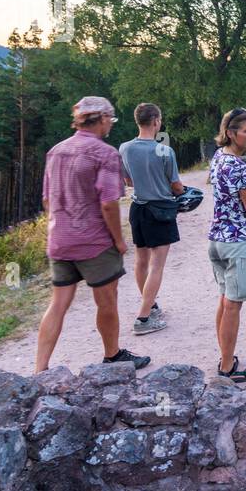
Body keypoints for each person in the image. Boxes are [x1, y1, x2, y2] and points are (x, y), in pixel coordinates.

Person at [35, 96, 151, 373]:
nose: (110, 124)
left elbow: (47, 200)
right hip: (94, 241)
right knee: (106, 299)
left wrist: (59, 225)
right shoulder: (105, 153)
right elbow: (108, 203)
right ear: (101, 119)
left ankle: (40, 369)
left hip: (59, 239)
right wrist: (119, 241)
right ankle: (112, 355)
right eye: (110, 119)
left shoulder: (56, 152)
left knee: (58, 303)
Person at [118, 102, 185, 335]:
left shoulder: (124, 148)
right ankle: (144, 318)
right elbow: (177, 186)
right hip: (160, 210)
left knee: (141, 262)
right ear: (156, 120)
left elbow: (128, 182)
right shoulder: (164, 150)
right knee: (157, 265)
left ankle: (151, 305)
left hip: (138, 209)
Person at [207, 107, 246, 382]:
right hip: (238, 240)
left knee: (225, 299)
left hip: (217, 239)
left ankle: (225, 357)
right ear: (230, 133)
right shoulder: (239, 167)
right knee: (233, 305)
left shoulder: (218, 157)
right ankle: (228, 367)